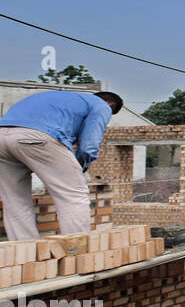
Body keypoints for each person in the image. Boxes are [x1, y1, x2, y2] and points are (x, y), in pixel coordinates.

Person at [0, 89, 123, 240]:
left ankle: (26, 251)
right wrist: (81, 168)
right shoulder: (101, 105)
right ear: (110, 105)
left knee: (14, 200)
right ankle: (76, 250)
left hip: (2, 138)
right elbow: (89, 144)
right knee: (74, 194)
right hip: (39, 137)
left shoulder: (58, 97)